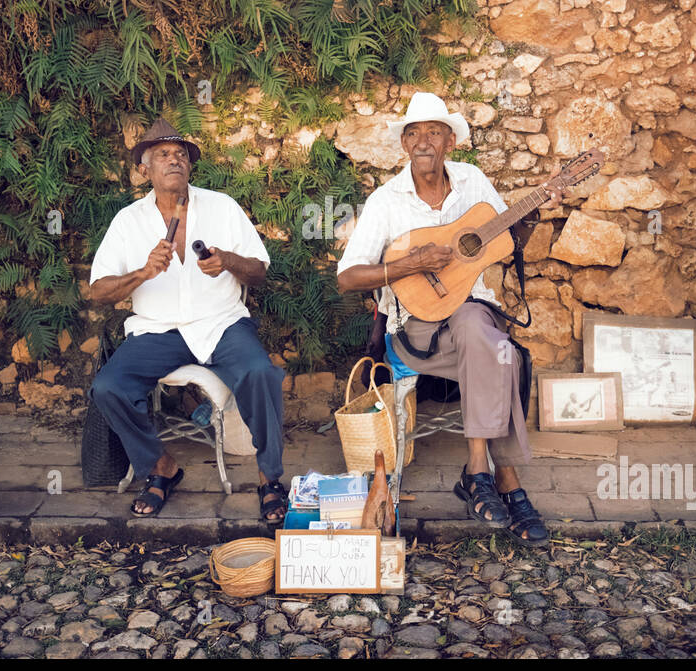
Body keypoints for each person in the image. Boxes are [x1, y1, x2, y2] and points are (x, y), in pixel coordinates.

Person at [336, 92, 576, 545]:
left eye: (434, 131)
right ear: (405, 144)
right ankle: (502, 481)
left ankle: (481, 472)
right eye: (414, 133)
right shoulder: (386, 200)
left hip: (472, 314)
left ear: (450, 140)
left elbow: (506, 239)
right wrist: (409, 264)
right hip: (417, 326)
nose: (423, 140)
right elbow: (347, 276)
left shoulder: (472, 182)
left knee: (484, 334)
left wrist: (535, 208)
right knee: (498, 349)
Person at [87, 118, 288, 524]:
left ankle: (270, 478)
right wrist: (141, 274)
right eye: (163, 154)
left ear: (190, 167)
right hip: (157, 329)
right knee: (109, 387)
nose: (174, 160)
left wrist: (227, 261)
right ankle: (161, 467)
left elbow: (260, 272)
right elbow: (99, 291)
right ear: (144, 170)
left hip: (221, 324)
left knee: (260, 373)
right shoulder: (128, 221)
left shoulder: (221, 207)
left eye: (181, 154)